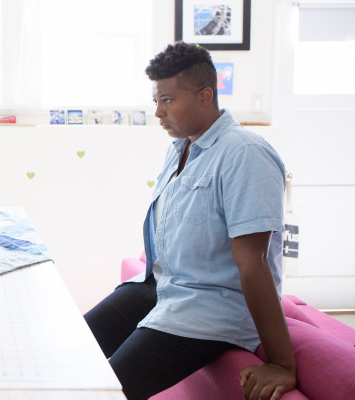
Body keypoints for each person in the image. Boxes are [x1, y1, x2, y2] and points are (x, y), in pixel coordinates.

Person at [83, 42, 296, 400]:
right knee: (73, 344)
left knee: (107, 389)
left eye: (167, 101)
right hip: (163, 286)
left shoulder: (244, 154)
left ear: (205, 96)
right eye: (156, 101)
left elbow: (254, 264)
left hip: (210, 307)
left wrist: (282, 363)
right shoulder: (181, 147)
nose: (158, 113)